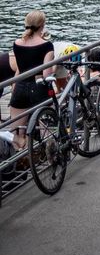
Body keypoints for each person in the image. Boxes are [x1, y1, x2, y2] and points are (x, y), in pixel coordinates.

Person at [8, 11, 56, 155]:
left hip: (21, 87)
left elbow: (20, 69)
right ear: (42, 25)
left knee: (16, 132)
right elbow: (47, 74)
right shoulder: (47, 46)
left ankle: (21, 159)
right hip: (39, 88)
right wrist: (55, 67)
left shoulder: (17, 44)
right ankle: (50, 160)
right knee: (45, 129)